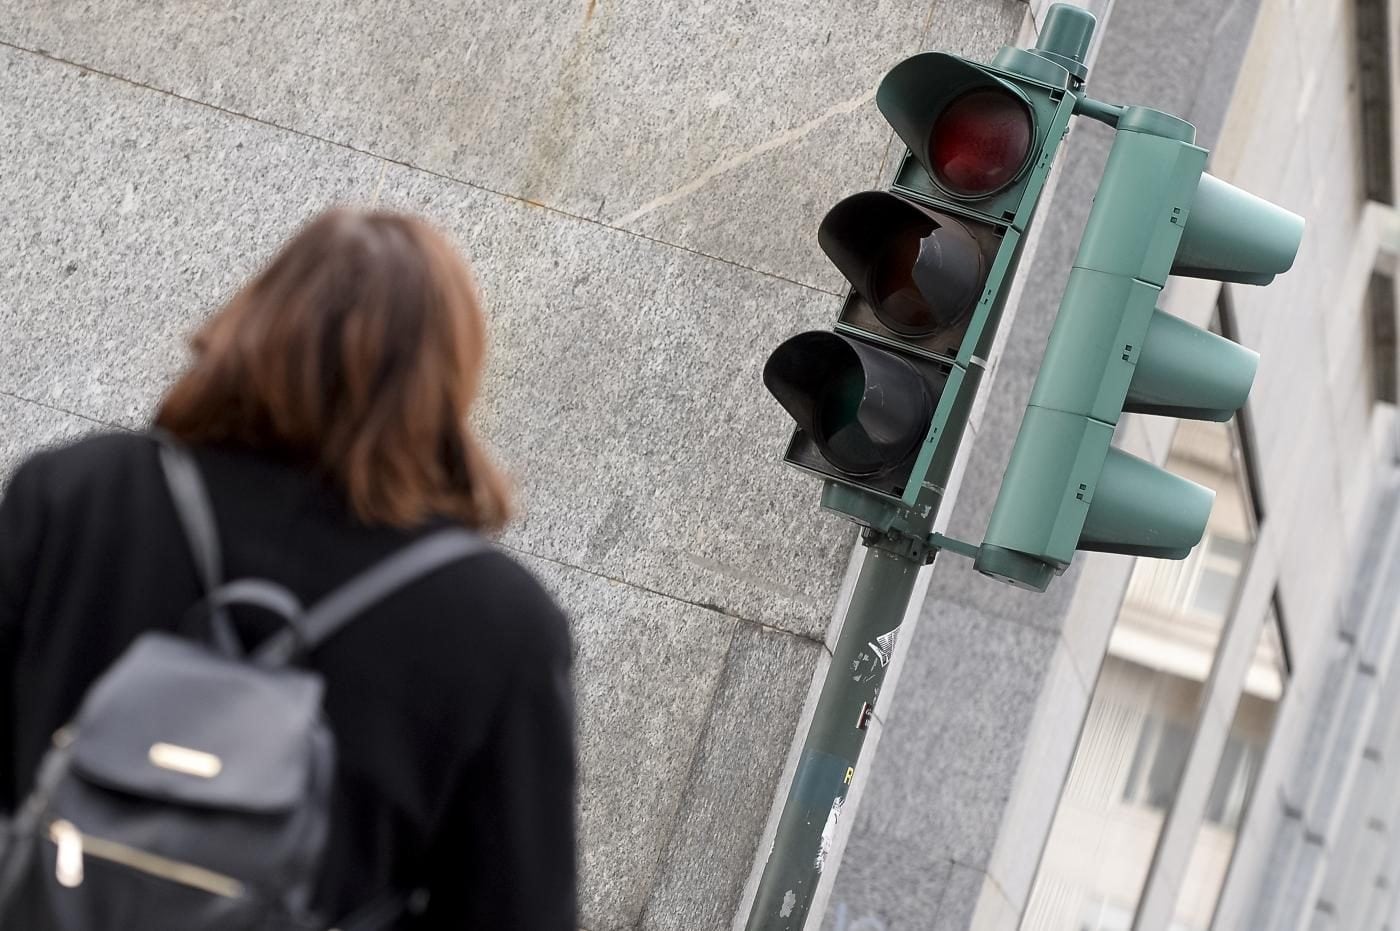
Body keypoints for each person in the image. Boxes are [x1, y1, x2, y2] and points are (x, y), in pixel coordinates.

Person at [0, 209, 577, 929]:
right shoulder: (497, 622)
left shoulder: (76, 495)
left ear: (253, 320)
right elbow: (518, 907)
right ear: (447, 381)